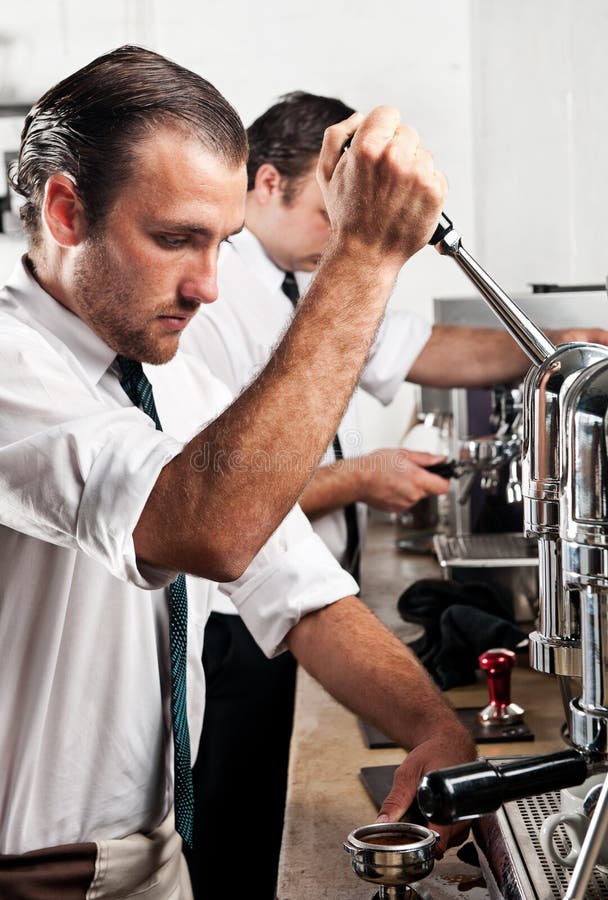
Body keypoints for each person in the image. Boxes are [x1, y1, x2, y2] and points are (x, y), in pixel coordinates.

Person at [0, 47, 476, 899]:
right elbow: (208, 530)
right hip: (36, 880)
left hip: (156, 856)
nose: (209, 286)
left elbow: (291, 578)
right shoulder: (10, 363)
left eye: (221, 242)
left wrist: (434, 730)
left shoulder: (168, 371)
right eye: (176, 239)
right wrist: (362, 254)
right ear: (66, 211)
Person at [181, 90, 608, 899]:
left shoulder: (306, 279)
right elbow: (221, 506)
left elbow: (428, 347)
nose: (342, 239)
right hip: (230, 627)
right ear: (266, 183)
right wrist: (361, 476)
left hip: (300, 599)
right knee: (240, 828)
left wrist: (570, 347)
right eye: (327, 213)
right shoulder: (208, 301)